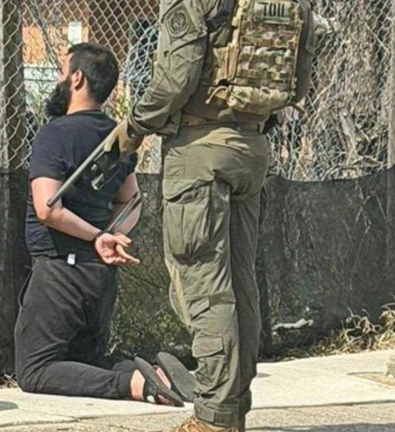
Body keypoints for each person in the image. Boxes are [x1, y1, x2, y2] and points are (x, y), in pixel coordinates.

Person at [104, 1, 318, 431]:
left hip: (200, 151)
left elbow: (175, 79)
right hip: (252, 147)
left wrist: (133, 128)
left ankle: (213, 419)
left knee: (204, 287)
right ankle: (232, 409)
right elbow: (299, 82)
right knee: (241, 286)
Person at [14, 42, 195, 407]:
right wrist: (112, 236)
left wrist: (98, 236)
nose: (58, 79)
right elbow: (132, 199)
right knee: (86, 362)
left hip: (59, 270)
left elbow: (47, 208)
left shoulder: (55, 133)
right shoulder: (117, 135)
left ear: (77, 78)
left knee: (34, 370)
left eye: (62, 72)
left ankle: (134, 384)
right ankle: (155, 375)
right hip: (99, 277)